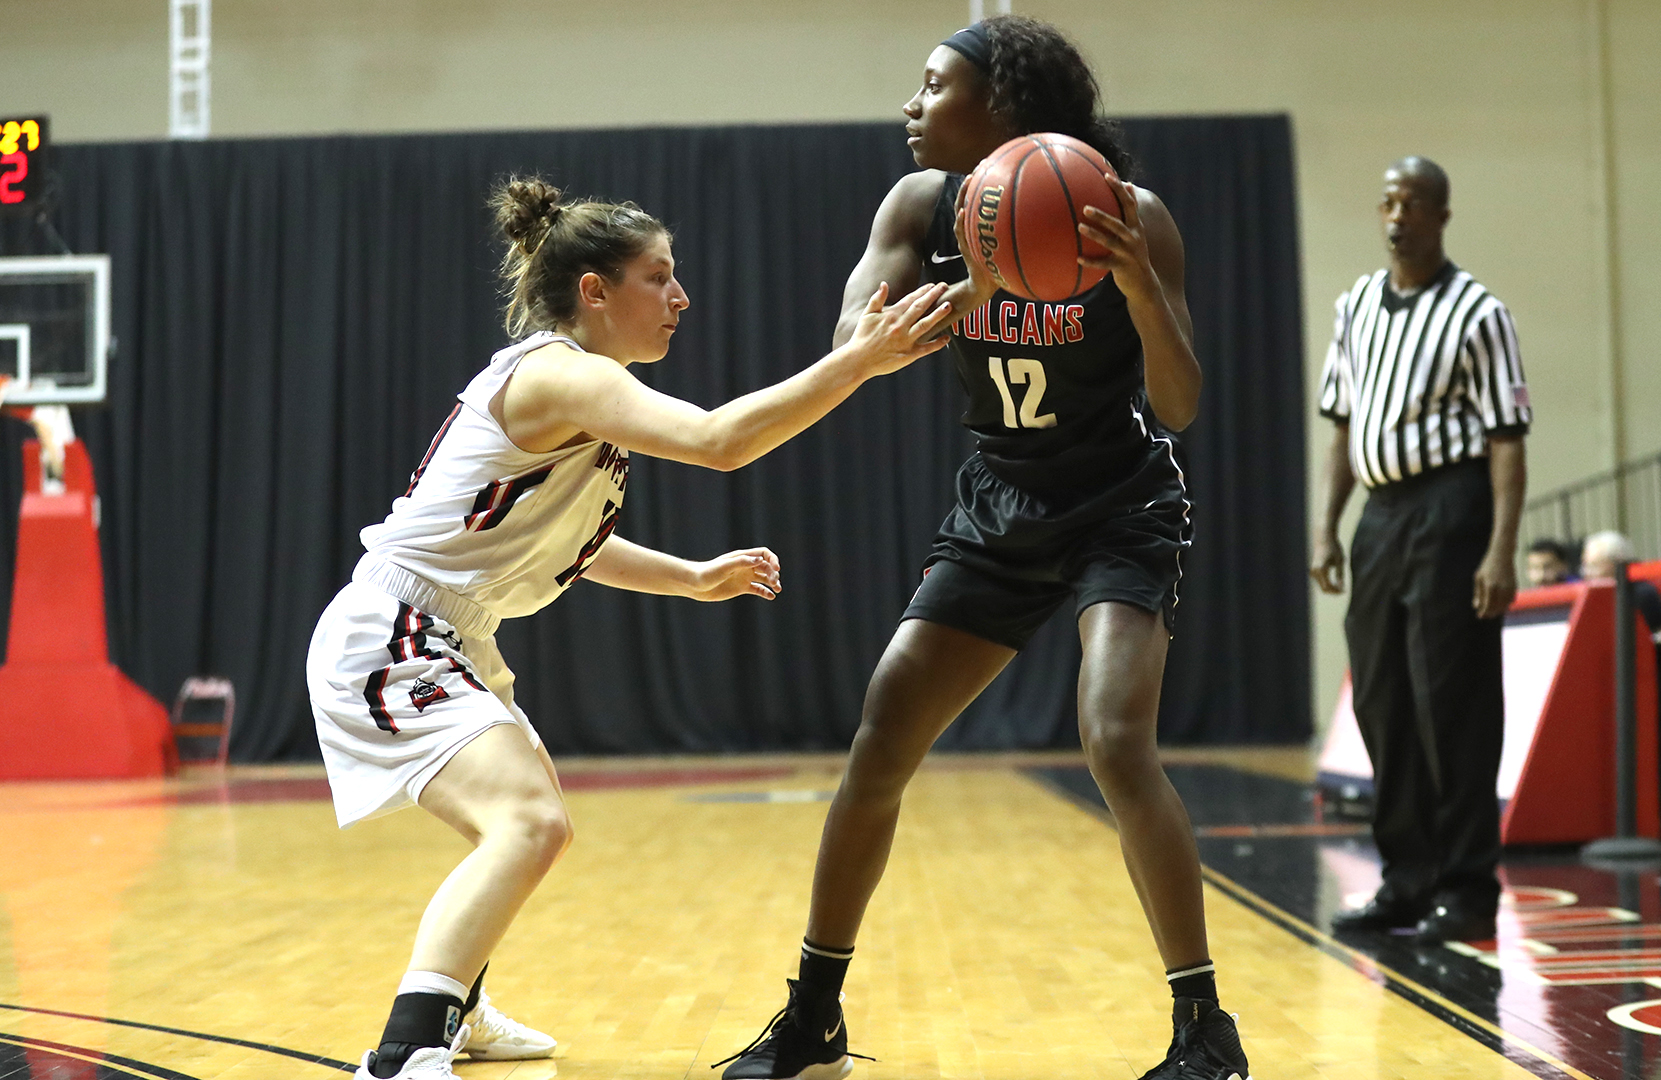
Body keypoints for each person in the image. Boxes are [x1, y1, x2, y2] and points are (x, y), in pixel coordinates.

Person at [307, 178, 953, 1080]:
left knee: (527, 827)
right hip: (396, 632)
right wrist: (857, 361)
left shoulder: (579, 388)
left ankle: (458, 1006)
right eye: (658, 276)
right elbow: (719, 441)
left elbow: (571, 543)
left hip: (448, 633)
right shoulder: (563, 374)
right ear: (594, 291)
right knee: (528, 823)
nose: (680, 297)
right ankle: (405, 1048)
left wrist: (690, 577)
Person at [715, 17, 1249, 1080]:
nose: (911, 106)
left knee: (1115, 739)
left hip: (1120, 502)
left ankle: (1205, 1030)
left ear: (999, 102)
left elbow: (1180, 402)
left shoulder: (1129, 214)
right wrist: (976, 289)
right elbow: (848, 352)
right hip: (1002, 499)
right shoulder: (920, 206)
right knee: (883, 735)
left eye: (931, 85)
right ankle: (814, 1017)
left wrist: (1139, 289)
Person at [1309, 157, 1530, 947]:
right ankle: (1407, 881)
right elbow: (1342, 427)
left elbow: (1507, 441)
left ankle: (1467, 890)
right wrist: (1327, 527)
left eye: (1413, 203)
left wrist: (1500, 551)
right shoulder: (1356, 306)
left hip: (1452, 505)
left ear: (1441, 215)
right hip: (1381, 512)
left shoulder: (1480, 313)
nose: (1397, 215)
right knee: (1382, 698)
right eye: (1388, 202)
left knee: (1452, 704)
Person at [1579, 530, 1661, 633]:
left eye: (1594, 566)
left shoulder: (1641, 594)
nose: (1587, 573)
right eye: (1586, 566)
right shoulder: (1589, 596)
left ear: (1616, 564)